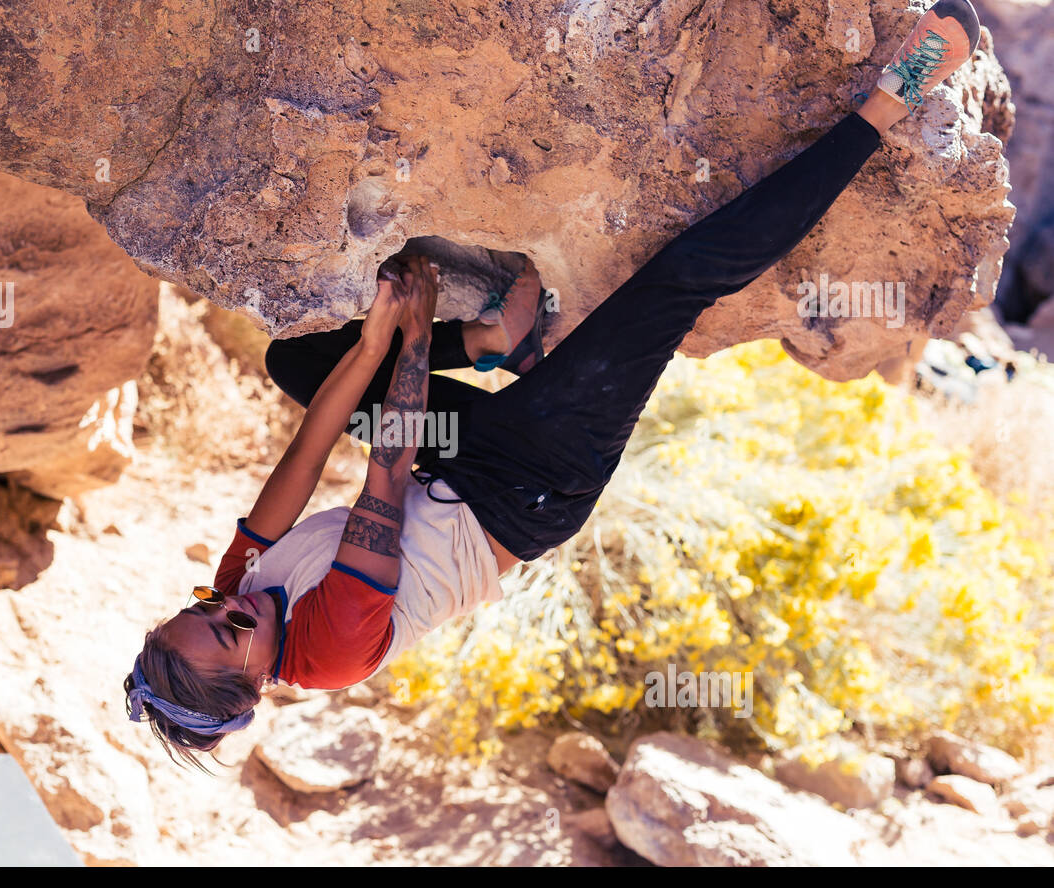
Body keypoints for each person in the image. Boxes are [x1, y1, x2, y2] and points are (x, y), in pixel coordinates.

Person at [125, 1, 982, 770]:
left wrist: (383, 336)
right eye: (229, 631)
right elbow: (379, 472)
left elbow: (312, 447)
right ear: (251, 685)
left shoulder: (235, 593)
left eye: (203, 606)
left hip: (448, 462)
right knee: (679, 281)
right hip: (527, 486)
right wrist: (415, 331)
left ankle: (505, 339)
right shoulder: (330, 648)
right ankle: (891, 100)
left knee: (296, 365)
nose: (227, 605)